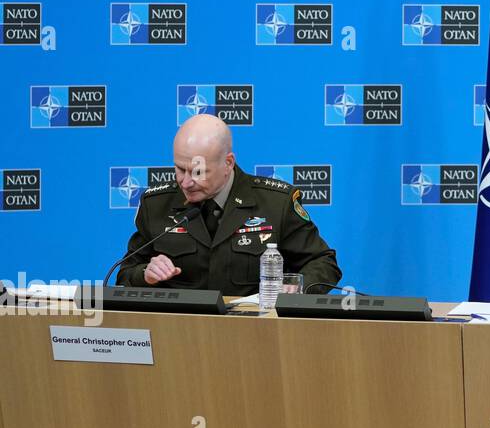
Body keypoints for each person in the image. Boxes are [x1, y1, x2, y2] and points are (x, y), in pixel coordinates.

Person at [115, 114, 341, 295]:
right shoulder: (156, 204)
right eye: (179, 169)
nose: (185, 182)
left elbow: (322, 262)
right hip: (178, 334)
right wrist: (146, 273)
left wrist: (296, 289)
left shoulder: (276, 203)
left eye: (198, 172)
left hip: (255, 332)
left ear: (228, 163)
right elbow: (126, 271)